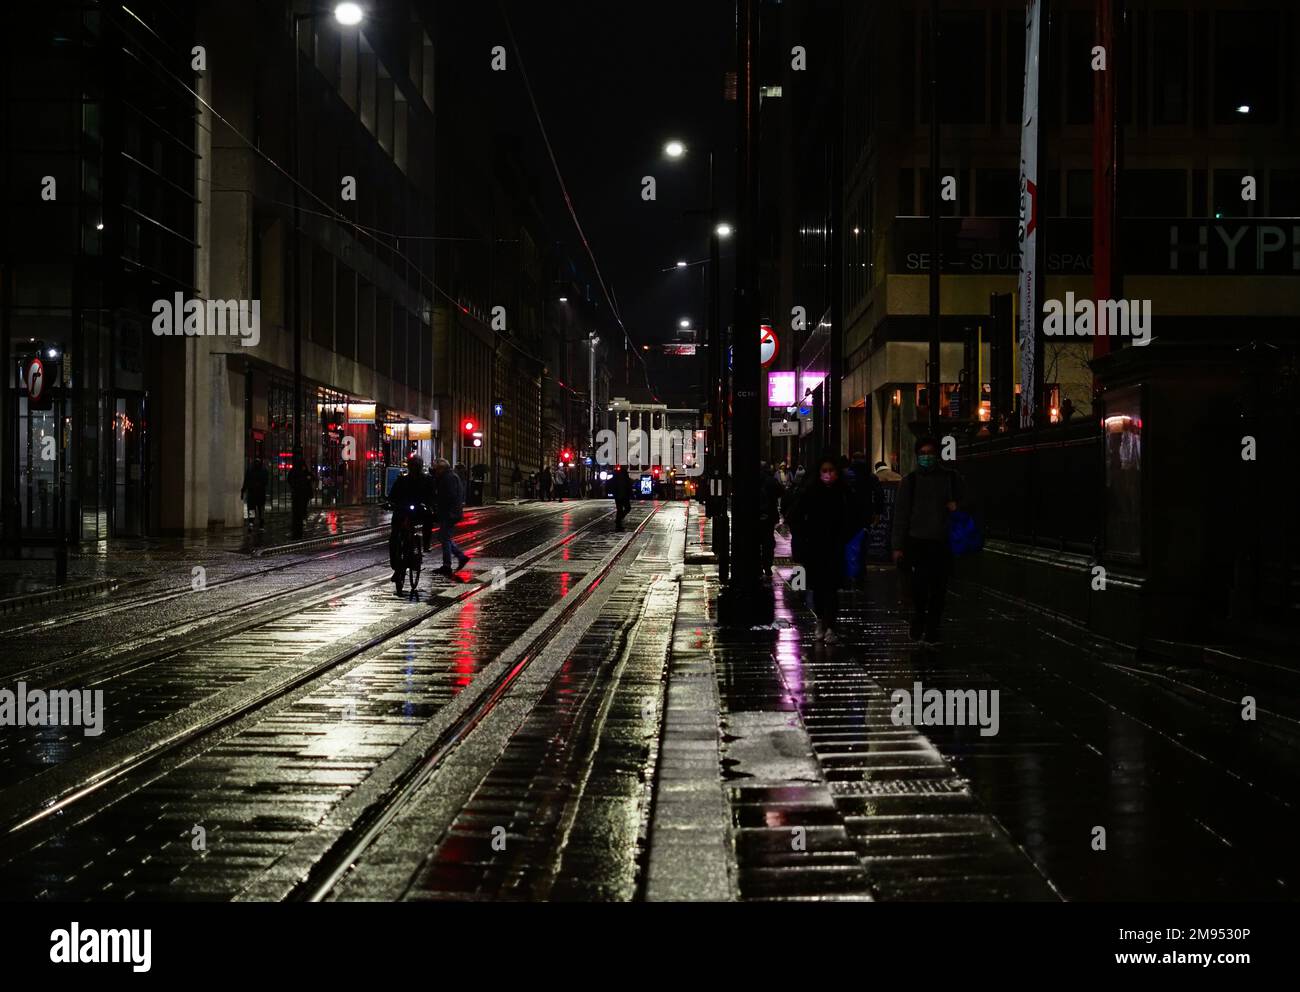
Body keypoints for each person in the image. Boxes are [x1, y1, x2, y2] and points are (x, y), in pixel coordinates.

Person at [891, 436, 964, 644]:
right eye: (922, 454)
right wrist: (897, 546)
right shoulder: (910, 481)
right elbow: (901, 515)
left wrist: (956, 506)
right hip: (917, 542)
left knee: (939, 588)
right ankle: (919, 618)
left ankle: (932, 626)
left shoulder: (950, 478)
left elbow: (968, 501)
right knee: (919, 587)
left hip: (942, 542)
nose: (926, 457)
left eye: (930, 453)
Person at [787, 450, 854, 643]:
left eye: (831, 470)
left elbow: (853, 517)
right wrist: (805, 538)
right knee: (817, 588)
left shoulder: (843, 492)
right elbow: (795, 516)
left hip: (834, 548)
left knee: (831, 589)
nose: (828, 474)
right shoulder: (810, 491)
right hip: (815, 548)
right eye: (825, 470)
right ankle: (821, 621)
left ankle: (830, 625)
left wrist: (843, 537)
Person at [387, 455, 436, 591]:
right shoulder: (402, 480)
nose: (414, 468)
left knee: (428, 520)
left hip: (418, 511)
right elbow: (393, 496)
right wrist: (389, 503)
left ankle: (425, 544)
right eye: (412, 465)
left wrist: (429, 506)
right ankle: (397, 568)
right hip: (402, 511)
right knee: (394, 538)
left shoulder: (427, 480)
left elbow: (431, 496)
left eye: (416, 466)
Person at [432, 458, 470, 575]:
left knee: (445, 538)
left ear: (442, 468)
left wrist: (441, 507)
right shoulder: (449, 476)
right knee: (444, 537)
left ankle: (447, 565)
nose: (435, 471)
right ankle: (460, 557)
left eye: (437, 469)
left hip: (449, 513)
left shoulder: (448, 478)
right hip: (450, 512)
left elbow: (449, 496)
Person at [758, 462, 786, 578]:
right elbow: (781, 491)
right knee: (768, 542)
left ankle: (758, 565)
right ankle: (767, 565)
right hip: (769, 516)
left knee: (757, 541)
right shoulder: (771, 480)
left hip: (758, 515)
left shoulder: (754, 479)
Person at [287, 448, 314, 539]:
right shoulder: (303, 471)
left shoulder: (295, 470)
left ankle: (299, 521)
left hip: (299, 493)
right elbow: (311, 478)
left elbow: (290, 479)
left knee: (298, 508)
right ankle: (301, 520)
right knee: (302, 507)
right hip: (302, 493)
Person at [240, 457, 269, 530]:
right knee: (260, 509)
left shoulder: (250, 470)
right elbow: (266, 481)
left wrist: (243, 490)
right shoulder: (264, 470)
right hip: (260, 493)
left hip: (252, 493)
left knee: (252, 509)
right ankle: (260, 524)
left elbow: (246, 481)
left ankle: (251, 522)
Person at [611, 464, 633, 531]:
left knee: (619, 510)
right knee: (627, 508)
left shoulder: (617, 474)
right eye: (627, 466)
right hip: (623, 495)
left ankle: (618, 523)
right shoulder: (624, 474)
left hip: (618, 495)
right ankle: (619, 521)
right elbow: (627, 484)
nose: (628, 467)